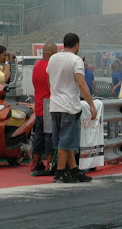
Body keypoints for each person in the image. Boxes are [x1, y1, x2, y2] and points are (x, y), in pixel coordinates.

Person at [46, 32, 96, 183]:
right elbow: (81, 83)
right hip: (69, 105)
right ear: (77, 45)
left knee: (62, 140)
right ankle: (60, 172)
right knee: (66, 141)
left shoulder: (53, 58)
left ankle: (74, 170)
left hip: (55, 104)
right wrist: (91, 105)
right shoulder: (76, 60)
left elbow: (49, 80)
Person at [31, 42, 57, 176]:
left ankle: (35, 162)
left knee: (38, 135)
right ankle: (50, 163)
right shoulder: (50, 67)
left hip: (38, 104)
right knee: (49, 135)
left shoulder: (36, 66)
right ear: (52, 53)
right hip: (49, 104)